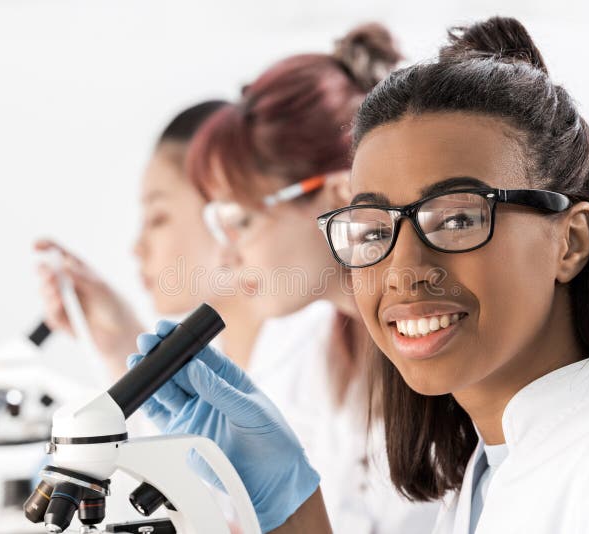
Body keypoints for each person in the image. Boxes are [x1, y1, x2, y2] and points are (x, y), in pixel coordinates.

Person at [128, 16, 589, 534]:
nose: (404, 270)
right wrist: (291, 507)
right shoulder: (483, 469)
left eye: (457, 217)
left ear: (570, 241)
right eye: (375, 229)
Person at [184, 23, 438, 533]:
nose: (225, 256)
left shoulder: (445, 347)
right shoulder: (295, 348)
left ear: (338, 194)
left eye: (241, 221)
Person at [35, 100, 264, 379]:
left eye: (157, 219)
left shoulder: (314, 355)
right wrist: (120, 342)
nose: (137, 248)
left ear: (228, 211)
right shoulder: (212, 360)